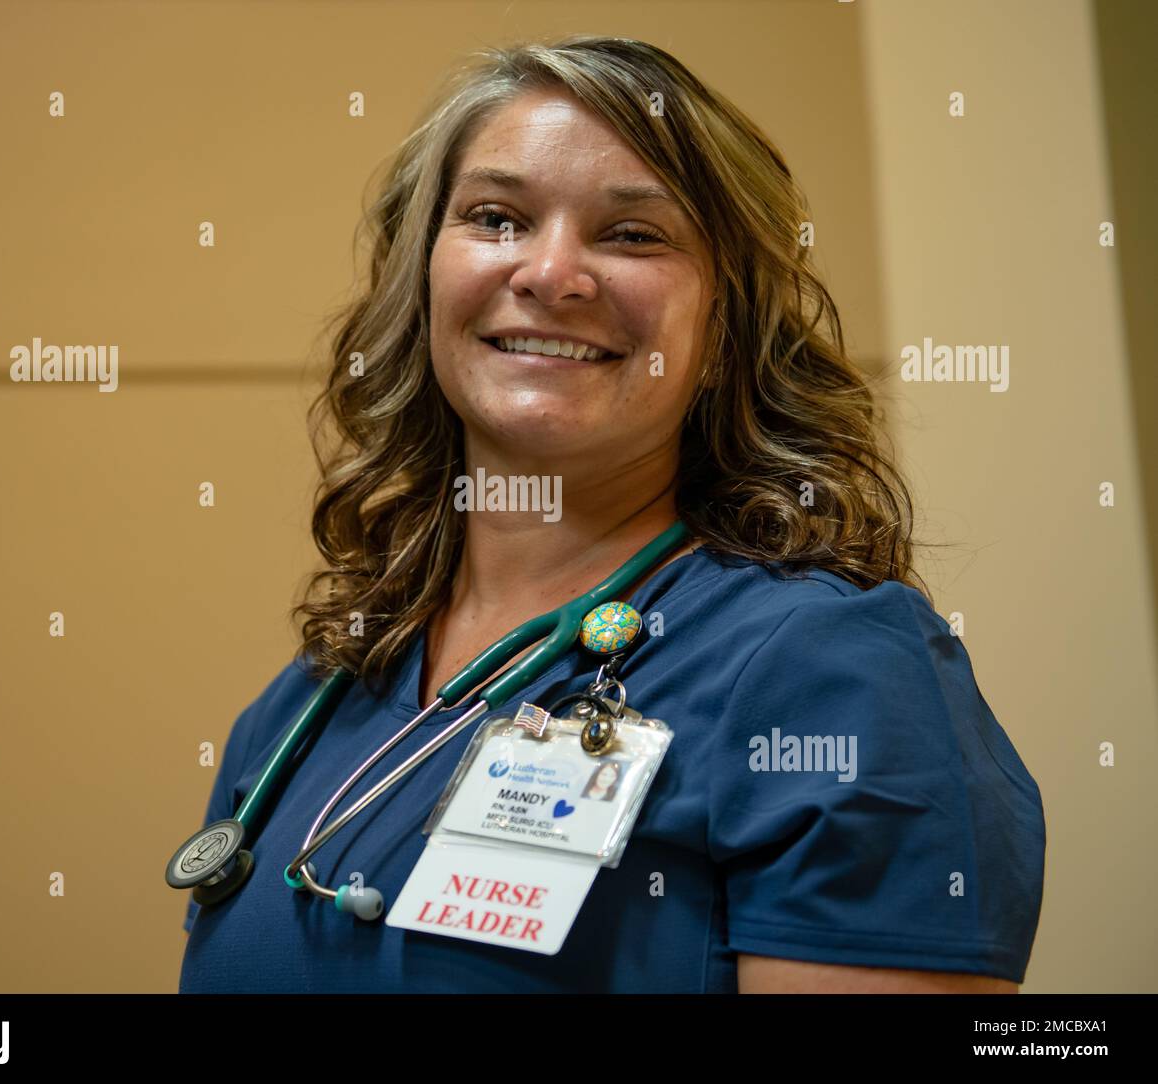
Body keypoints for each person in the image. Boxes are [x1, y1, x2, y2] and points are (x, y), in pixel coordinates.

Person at [178, 35, 1045, 994]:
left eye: (633, 235)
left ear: (726, 327)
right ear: (422, 280)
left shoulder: (830, 674)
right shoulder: (311, 702)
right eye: (497, 217)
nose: (551, 274)